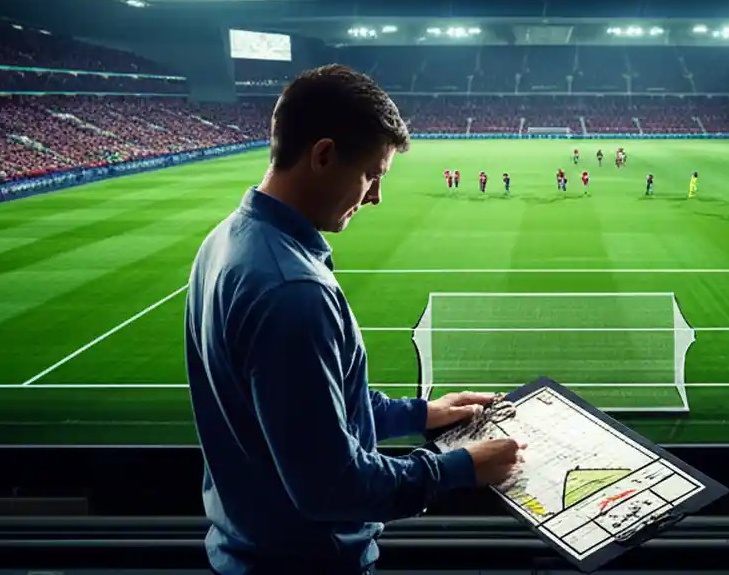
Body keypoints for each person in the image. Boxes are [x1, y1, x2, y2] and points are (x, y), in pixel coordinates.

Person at [185, 65, 524, 574]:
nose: (375, 197)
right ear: (323, 156)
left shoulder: (229, 240)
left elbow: (309, 410)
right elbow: (331, 487)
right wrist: (459, 468)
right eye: (372, 174)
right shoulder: (291, 290)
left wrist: (420, 414)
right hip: (305, 566)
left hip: (252, 549)